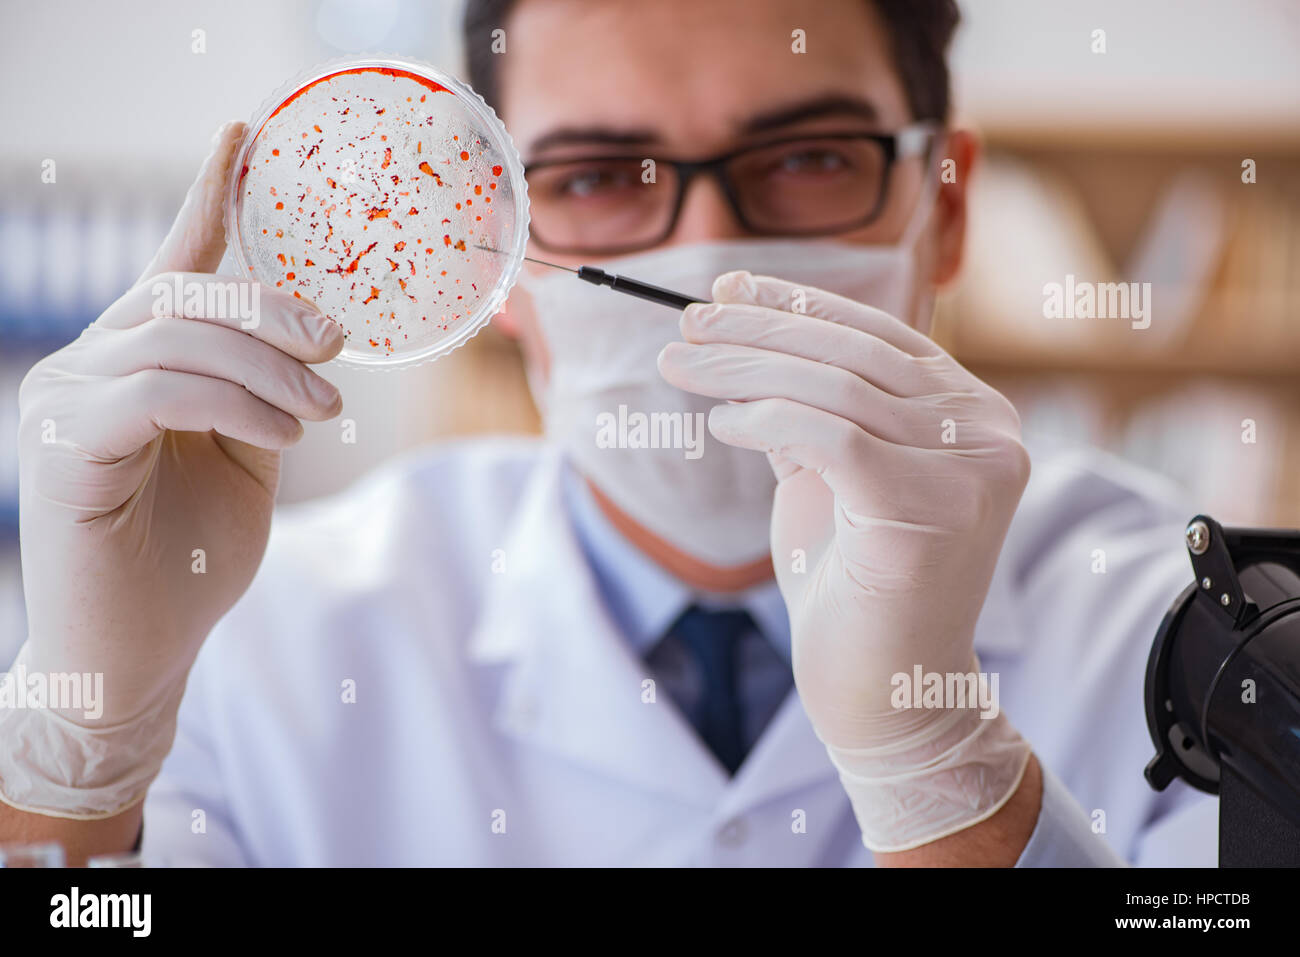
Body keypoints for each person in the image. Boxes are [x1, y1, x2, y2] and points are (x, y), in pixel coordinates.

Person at [1, 0, 1215, 866]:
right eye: (592, 177)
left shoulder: (1194, 627)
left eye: (806, 158)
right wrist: (79, 751)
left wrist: (936, 769)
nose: (708, 250)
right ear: (495, 264)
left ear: (946, 207)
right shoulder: (263, 641)